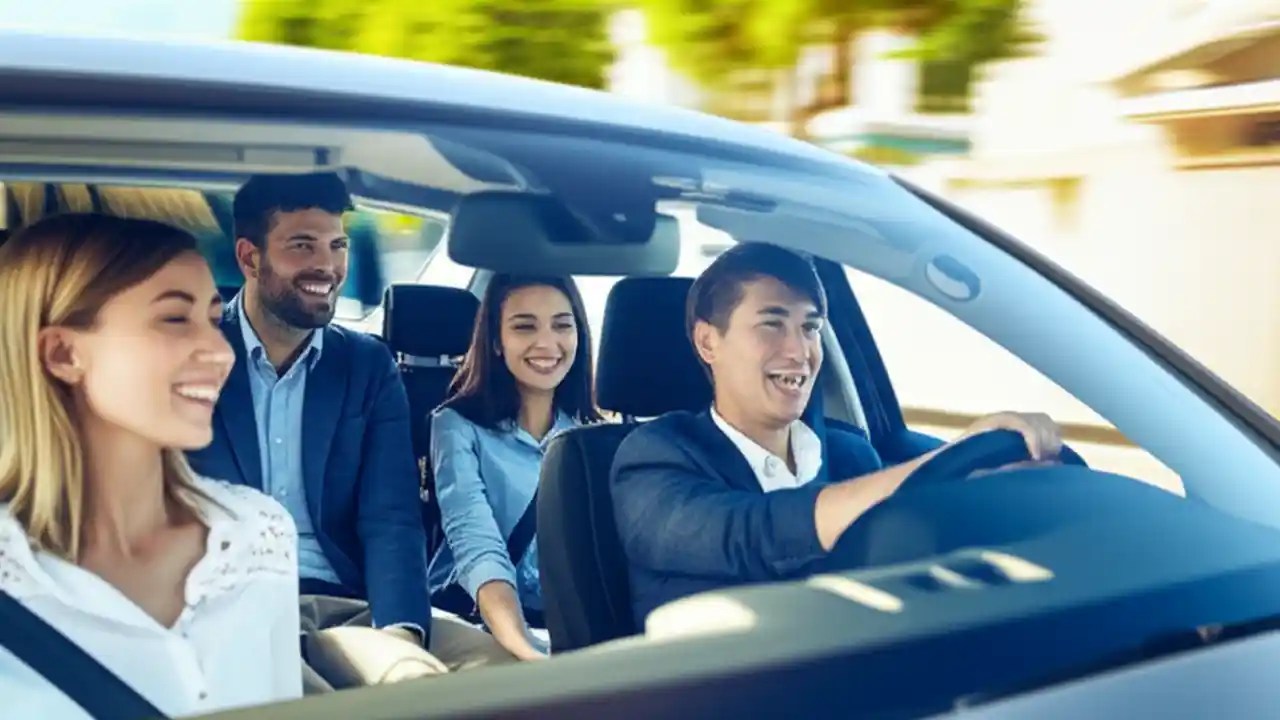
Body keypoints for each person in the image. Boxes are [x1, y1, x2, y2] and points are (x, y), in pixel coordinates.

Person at [611, 242, 1063, 625]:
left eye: (810, 328)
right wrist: (940, 469)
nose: (800, 351)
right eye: (772, 323)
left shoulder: (850, 456)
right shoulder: (653, 459)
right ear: (708, 342)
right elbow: (755, 534)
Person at [0, 214, 302, 717]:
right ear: (62, 353)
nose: (221, 352)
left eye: (213, 319)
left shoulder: (259, 536)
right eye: (174, 319)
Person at [428, 274, 602, 661]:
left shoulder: (596, 438)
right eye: (524, 326)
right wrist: (524, 647)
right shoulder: (455, 427)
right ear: (495, 341)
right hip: (473, 617)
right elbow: (476, 544)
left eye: (562, 325)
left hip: (563, 628)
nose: (546, 343)